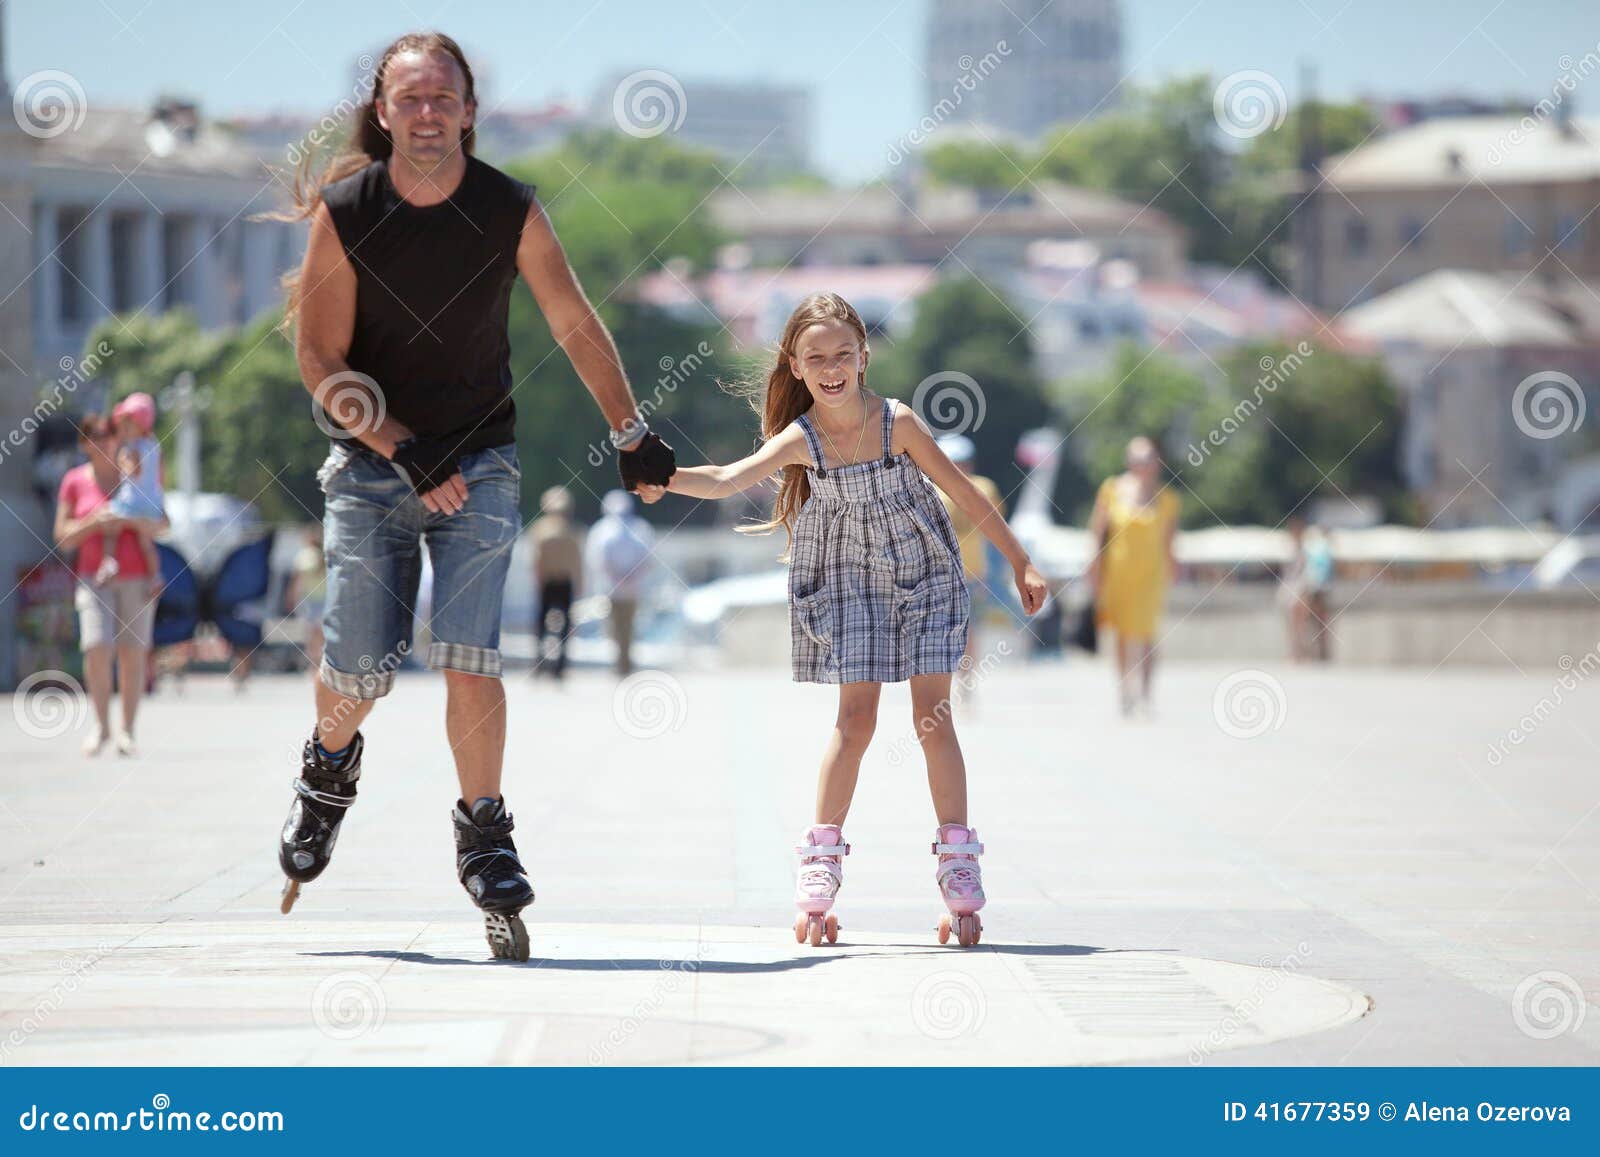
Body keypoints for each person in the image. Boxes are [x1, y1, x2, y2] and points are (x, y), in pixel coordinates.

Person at [269, 31, 675, 961]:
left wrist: (629, 431)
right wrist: (398, 446)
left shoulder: (509, 209)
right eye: (408, 98)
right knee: (361, 669)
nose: (425, 113)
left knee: (469, 653)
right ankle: (328, 771)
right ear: (382, 111)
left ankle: (485, 832)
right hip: (372, 469)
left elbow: (572, 320)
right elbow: (319, 362)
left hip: (481, 462)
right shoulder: (347, 211)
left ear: (469, 109)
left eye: (441, 98)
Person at [638, 292, 1047, 948]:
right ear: (796, 367)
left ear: (863, 357)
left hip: (926, 572)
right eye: (815, 356)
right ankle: (821, 863)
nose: (831, 366)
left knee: (931, 717)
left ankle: (958, 860)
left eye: (842, 353)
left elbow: (966, 493)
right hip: (850, 582)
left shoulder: (898, 422)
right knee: (854, 722)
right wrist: (665, 477)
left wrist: (1021, 562)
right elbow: (725, 478)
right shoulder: (801, 438)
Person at [52, 413, 168, 756]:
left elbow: (163, 524)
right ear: (85, 443)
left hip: (136, 578)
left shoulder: (135, 471)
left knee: (133, 653)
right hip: (93, 578)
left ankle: (127, 730)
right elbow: (63, 538)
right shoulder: (74, 481)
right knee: (96, 647)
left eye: (110, 435)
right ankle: (101, 726)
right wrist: (93, 522)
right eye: (97, 436)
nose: (105, 442)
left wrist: (131, 520)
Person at [1089, 436, 1179, 718]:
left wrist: (1173, 570)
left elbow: (1169, 541)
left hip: (1151, 573)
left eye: (1148, 458)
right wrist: (1093, 567)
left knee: (1148, 632)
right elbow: (1097, 531)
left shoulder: (1168, 499)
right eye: (1137, 459)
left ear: (1157, 462)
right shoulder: (1111, 490)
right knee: (1122, 634)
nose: (1142, 464)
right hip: (1118, 572)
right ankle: (1125, 691)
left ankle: (1146, 694)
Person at [932, 433, 1006, 706]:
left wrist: (995, 572)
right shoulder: (933, 490)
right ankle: (941, 686)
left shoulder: (984, 488)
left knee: (969, 631)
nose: (959, 466)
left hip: (974, 572)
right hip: (939, 575)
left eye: (962, 461)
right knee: (940, 634)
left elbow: (995, 531)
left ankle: (965, 683)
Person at [95, 393, 164, 589]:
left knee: (110, 525)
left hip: (133, 502)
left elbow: (134, 471)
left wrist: (122, 461)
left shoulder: (134, 447)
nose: (123, 430)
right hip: (151, 503)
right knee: (146, 544)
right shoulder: (154, 444)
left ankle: (109, 561)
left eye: (127, 425)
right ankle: (155, 577)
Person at [583, 489, 655, 678]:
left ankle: (625, 663)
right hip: (610, 589)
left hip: (631, 589)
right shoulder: (601, 530)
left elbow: (647, 559)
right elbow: (597, 560)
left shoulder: (640, 528)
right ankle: (620, 662)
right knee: (614, 627)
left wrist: (629, 579)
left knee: (628, 626)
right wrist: (620, 578)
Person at [527, 485, 583, 680]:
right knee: (544, 625)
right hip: (551, 582)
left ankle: (557, 665)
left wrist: (578, 583)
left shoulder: (568, 530)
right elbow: (537, 559)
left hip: (559, 582)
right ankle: (545, 664)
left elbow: (576, 562)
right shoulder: (545, 529)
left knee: (560, 625)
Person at [1280, 517, 1334, 663]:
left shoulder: (1312, 550)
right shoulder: (1316, 549)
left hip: (1307, 589)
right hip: (1310, 588)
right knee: (1310, 624)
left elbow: (1307, 573)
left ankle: (1303, 653)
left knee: (1302, 623)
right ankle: (1312, 653)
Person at [289, 526, 327, 677]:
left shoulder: (304, 555)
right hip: (324, 599)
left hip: (309, 600)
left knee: (311, 635)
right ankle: (320, 664)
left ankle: (314, 666)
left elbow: (296, 580)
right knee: (322, 635)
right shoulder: (326, 555)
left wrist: (291, 597)